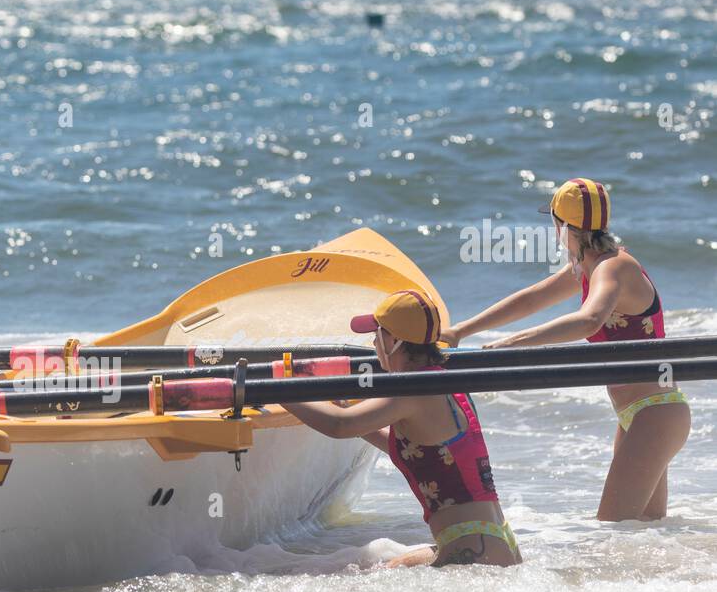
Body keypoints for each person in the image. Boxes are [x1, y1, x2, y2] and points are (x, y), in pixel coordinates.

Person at [441, 178, 689, 521]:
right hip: (640, 414)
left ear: (564, 227)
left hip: (655, 413)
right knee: (642, 532)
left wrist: (512, 343)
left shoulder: (613, 267)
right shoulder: (588, 266)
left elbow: (589, 320)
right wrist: (461, 330)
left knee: (611, 530)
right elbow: (532, 298)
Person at [283, 290, 521, 567]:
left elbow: (339, 425)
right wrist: (346, 408)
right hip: (492, 540)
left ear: (394, 341)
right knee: (382, 570)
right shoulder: (446, 381)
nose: (373, 342)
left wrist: (279, 390)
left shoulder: (412, 390)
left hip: (472, 546)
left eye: (378, 334)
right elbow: (415, 452)